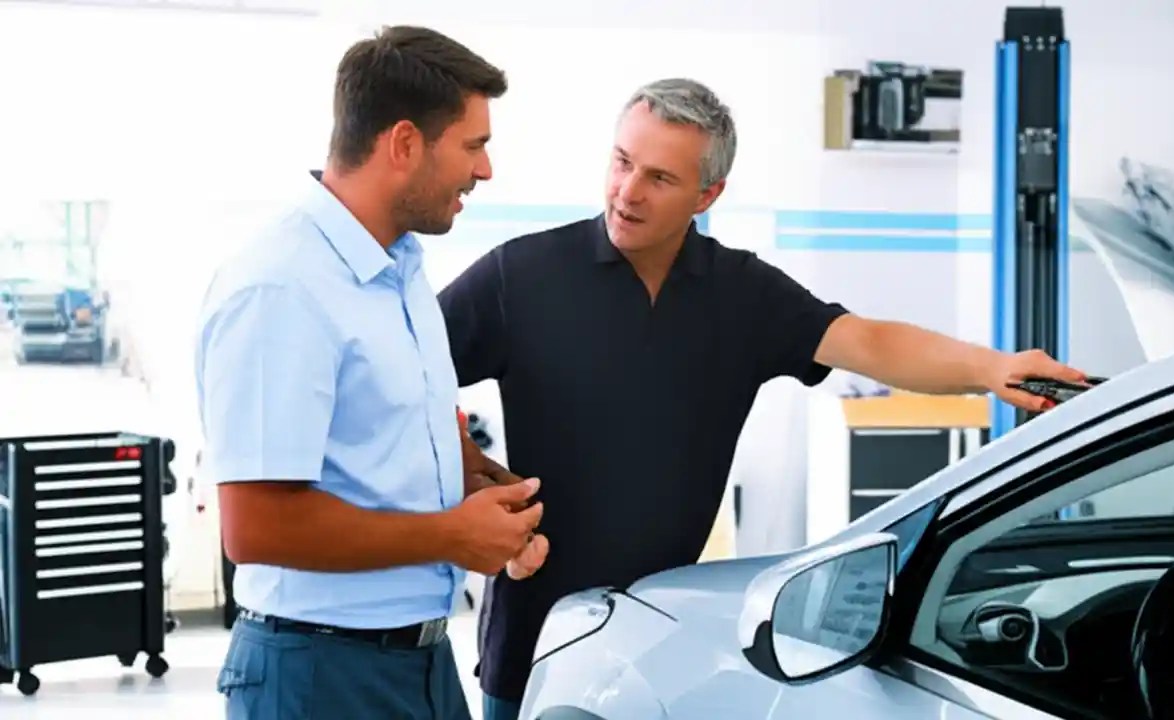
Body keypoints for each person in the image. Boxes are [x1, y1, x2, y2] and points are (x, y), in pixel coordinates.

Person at [436, 77, 1091, 719]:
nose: (627, 193)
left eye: (659, 178)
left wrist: (991, 366)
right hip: (536, 644)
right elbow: (404, 380)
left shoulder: (742, 294)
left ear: (707, 192)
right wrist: (476, 476)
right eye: (622, 162)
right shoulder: (520, 276)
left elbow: (866, 342)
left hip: (662, 641)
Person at [195, 26, 547, 720]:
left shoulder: (400, 268)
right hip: (319, 677)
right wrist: (453, 534)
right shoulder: (283, 285)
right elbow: (257, 525)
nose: (485, 170)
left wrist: (470, 473)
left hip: (422, 663)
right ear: (405, 143)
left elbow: (388, 421)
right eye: (473, 145)